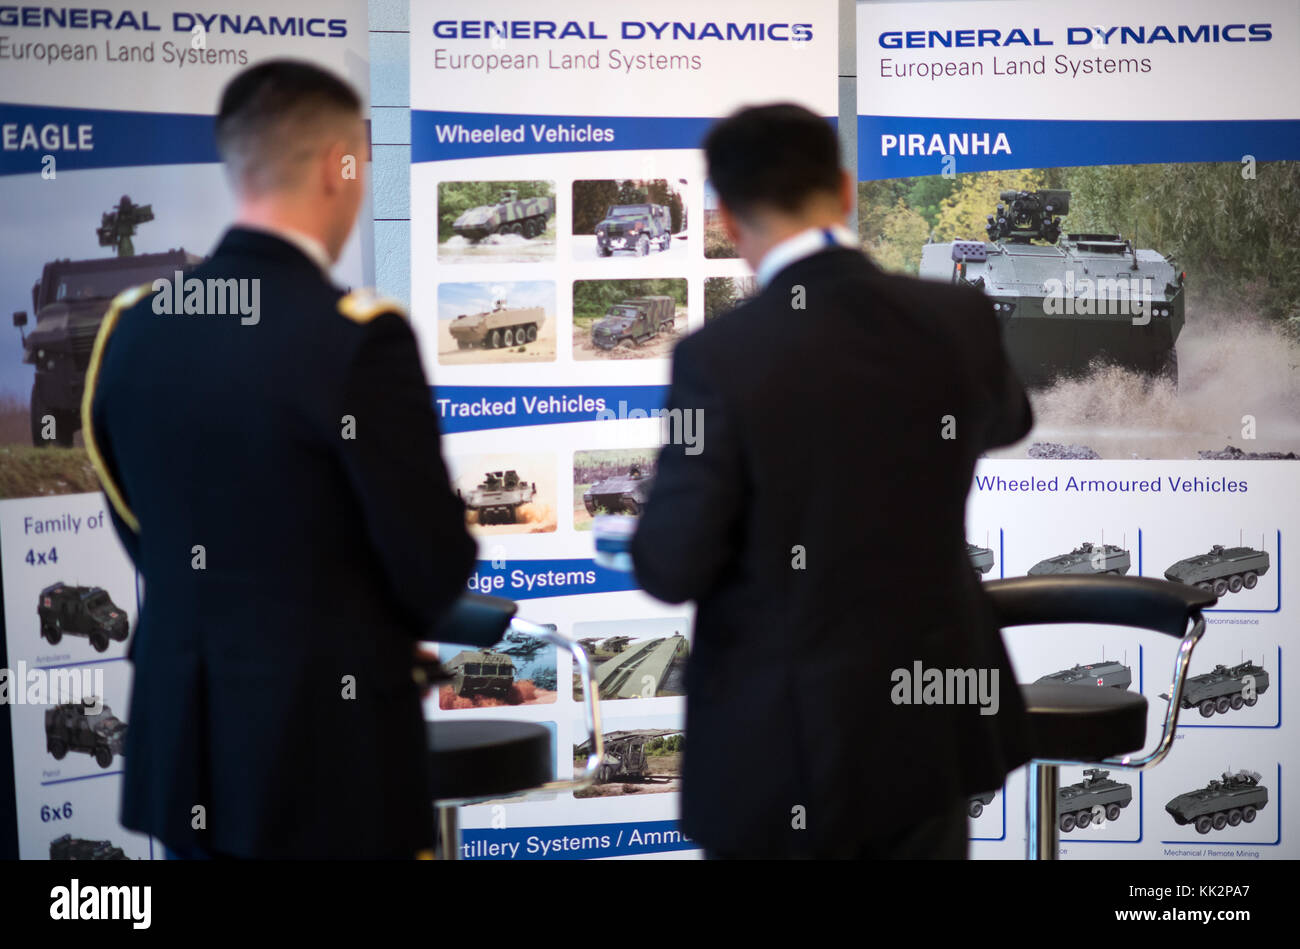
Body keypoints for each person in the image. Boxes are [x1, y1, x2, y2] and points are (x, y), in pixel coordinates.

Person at [81, 60, 476, 858]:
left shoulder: (135, 325)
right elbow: (429, 569)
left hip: (190, 745)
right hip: (327, 755)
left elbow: (138, 521)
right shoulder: (358, 337)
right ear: (343, 166)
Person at [630, 104, 1034, 859]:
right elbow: (1009, 422)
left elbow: (672, 560)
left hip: (782, 744)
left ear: (722, 217)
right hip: (929, 730)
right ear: (845, 190)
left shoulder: (717, 359)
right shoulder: (959, 318)